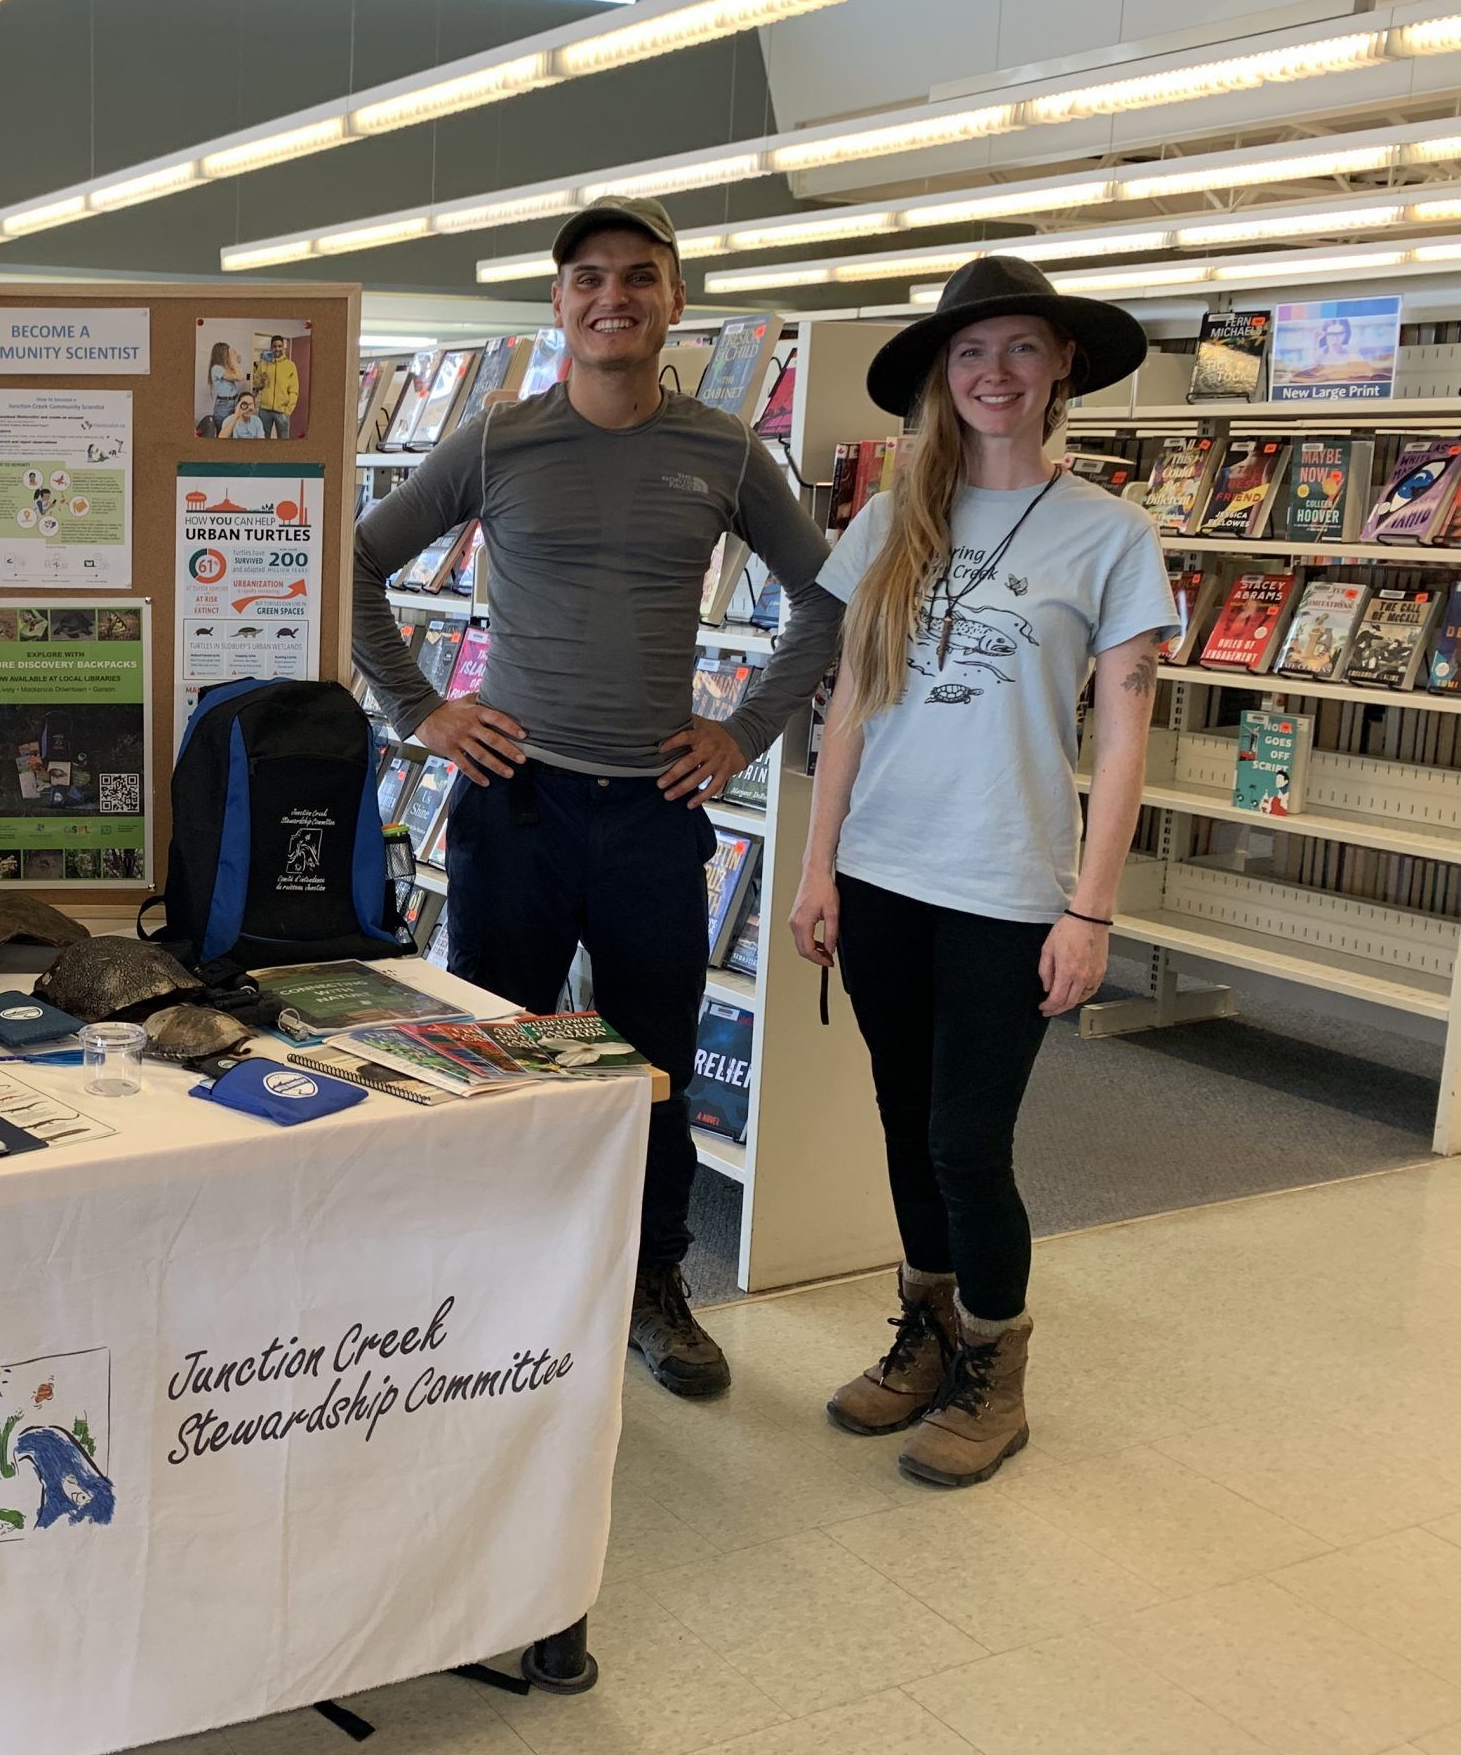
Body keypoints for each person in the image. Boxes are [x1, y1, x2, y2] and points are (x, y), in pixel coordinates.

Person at [350, 198, 842, 1398]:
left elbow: (825, 599)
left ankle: (650, 1283)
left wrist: (742, 728)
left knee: (649, 1062)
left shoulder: (728, 452)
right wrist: (423, 711)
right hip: (513, 805)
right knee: (498, 1054)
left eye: (636, 277)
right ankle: (496, 1281)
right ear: (558, 304)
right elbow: (354, 561)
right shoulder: (493, 440)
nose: (610, 296)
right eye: (585, 279)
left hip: (649, 816)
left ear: (673, 300)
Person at [788, 255, 1172, 1488]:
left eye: (1017, 348)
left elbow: (1122, 736)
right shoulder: (892, 520)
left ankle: (993, 1371)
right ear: (939, 380)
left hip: (1008, 886)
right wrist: (816, 869)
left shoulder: (1111, 533)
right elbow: (846, 702)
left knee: (968, 1140)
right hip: (884, 873)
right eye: (969, 353)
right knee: (905, 1127)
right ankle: (927, 1334)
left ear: (1061, 365)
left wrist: (1090, 909)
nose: (992, 374)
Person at [252, 333, 300, 437]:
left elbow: (294, 390)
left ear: (283, 347)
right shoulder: (263, 364)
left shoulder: (290, 365)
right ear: (271, 347)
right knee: (263, 439)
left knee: (283, 441)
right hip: (265, 410)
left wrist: (288, 410)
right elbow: (256, 384)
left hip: (282, 412)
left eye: (279, 346)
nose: (277, 349)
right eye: (274, 346)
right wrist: (261, 380)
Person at [205, 342, 248, 435]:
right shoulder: (216, 368)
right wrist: (234, 359)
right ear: (222, 354)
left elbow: (239, 373)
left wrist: (234, 360)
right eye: (227, 352)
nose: (229, 354)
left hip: (234, 400)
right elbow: (240, 377)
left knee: (233, 431)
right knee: (223, 433)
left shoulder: (225, 368)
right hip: (224, 405)